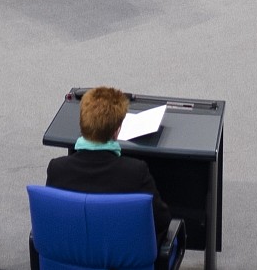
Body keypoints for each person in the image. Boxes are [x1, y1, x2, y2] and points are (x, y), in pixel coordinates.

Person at [43, 86, 172, 242]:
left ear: (82, 124)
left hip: (72, 259)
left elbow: (52, 221)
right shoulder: (135, 172)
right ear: (117, 130)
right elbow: (161, 222)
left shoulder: (57, 169)